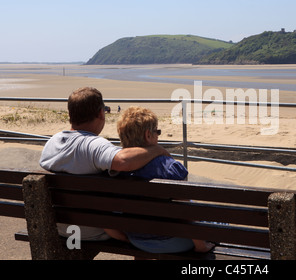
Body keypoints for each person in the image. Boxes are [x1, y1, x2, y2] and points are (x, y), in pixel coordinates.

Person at [39, 87, 169, 241]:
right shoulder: (93, 145)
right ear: (101, 113)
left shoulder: (52, 142)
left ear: (70, 115)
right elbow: (122, 161)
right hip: (90, 228)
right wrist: (157, 150)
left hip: (57, 225)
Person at [116, 106, 215, 253]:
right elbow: (186, 210)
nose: (158, 136)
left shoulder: (116, 168)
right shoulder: (168, 168)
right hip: (173, 241)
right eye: (157, 131)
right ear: (148, 135)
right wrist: (201, 246)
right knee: (219, 221)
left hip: (136, 239)